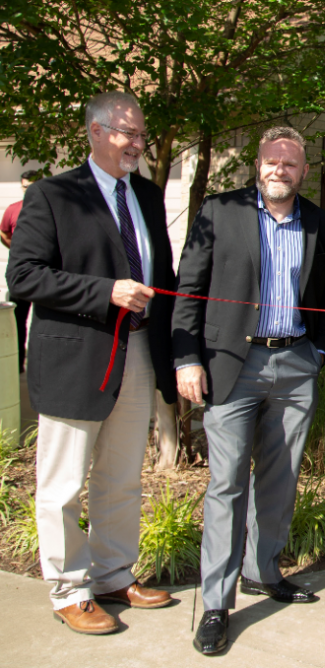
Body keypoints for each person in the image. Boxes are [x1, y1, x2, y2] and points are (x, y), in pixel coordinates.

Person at [6, 91, 177, 634]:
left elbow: (163, 274)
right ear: (96, 132)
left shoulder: (147, 197)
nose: (136, 143)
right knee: (61, 486)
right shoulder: (54, 195)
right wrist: (105, 291)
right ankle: (69, 589)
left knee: (123, 478)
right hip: (77, 361)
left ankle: (112, 574)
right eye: (127, 132)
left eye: (141, 134)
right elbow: (24, 277)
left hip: (139, 354)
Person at [173, 126, 325, 655]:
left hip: (294, 361)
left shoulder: (318, 221)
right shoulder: (219, 211)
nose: (278, 171)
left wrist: (316, 353)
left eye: (289, 164)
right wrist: (186, 358)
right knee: (225, 483)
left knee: (280, 478)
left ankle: (263, 571)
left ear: (303, 171)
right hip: (230, 366)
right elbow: (189, 289)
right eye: (271, 161)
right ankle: (217, 603)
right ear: (257, 164)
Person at [1, 169, 40, 372]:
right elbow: (4, 233)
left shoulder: (49, 207)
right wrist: (17, 251)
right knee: (19, 318)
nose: (29, 190)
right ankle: (17, 365)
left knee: (43, 320)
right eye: (26, 187)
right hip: (21, 273)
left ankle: (39, 364)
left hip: (45, 271)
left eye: (33, 186)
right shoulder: (13, 209)